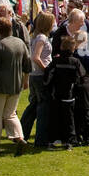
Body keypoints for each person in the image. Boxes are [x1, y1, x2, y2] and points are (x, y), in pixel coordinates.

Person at [0, 18, 30, 152]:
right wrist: (26, 80)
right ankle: (19, 137)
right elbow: (27, 64)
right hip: (16, 84)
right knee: (11, 114)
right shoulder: (20, 42)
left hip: (0, 85)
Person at [20, 11, 54, 144]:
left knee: (34, 105)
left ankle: (22, 133)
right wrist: (46, 70)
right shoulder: (41, 38)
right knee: (43, 107)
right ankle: (41, 139)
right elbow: (35, 57)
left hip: (35, 75)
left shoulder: (35, 36)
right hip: (40, 76)